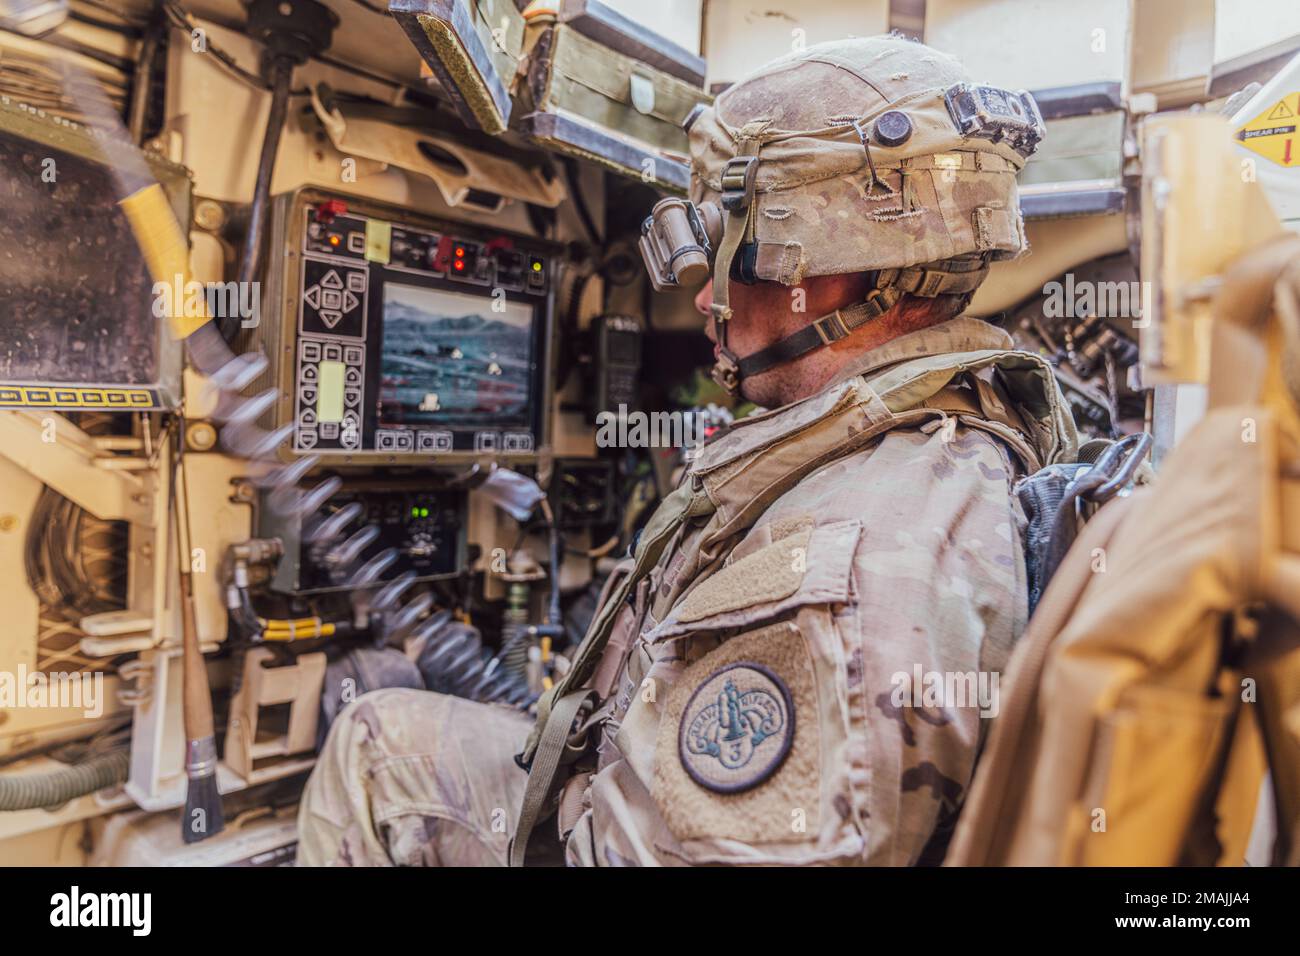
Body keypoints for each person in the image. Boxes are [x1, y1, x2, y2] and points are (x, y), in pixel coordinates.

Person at [297, 32, 1077, 867]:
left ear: (819, 256)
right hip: (616, 794)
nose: (706, 297)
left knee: (374, 745)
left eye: (729, 242)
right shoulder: (945, 435)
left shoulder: (840, 573)